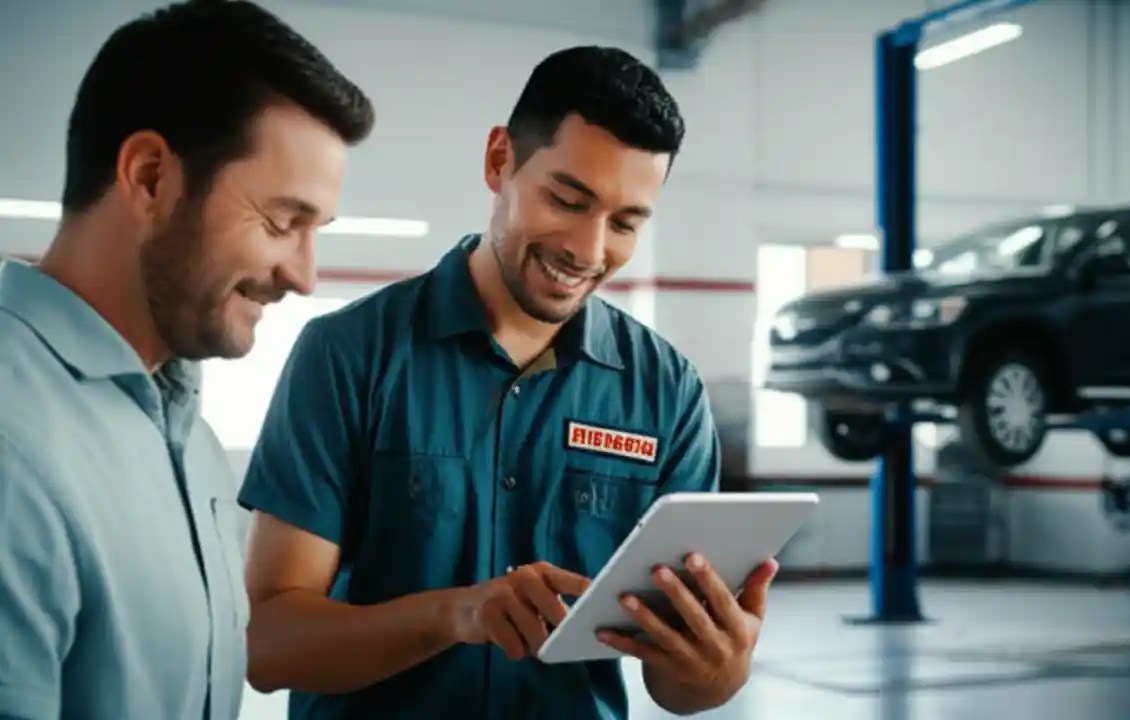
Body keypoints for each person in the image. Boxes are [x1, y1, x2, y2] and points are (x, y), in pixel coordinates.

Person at [238, 45, 777, 719]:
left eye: (626, 222)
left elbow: (679, 691)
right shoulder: (348, 355)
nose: (588, 249)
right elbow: (271, 646)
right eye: (566, 199)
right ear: (500, 161)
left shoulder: (666, 391)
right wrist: (457, 615)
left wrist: (719, 667)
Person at [0, 2, 374, 718]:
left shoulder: (185, 438)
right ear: (148, 178)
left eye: (316, 231)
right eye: (281, 221)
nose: (305, 275)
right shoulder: (14, 446)